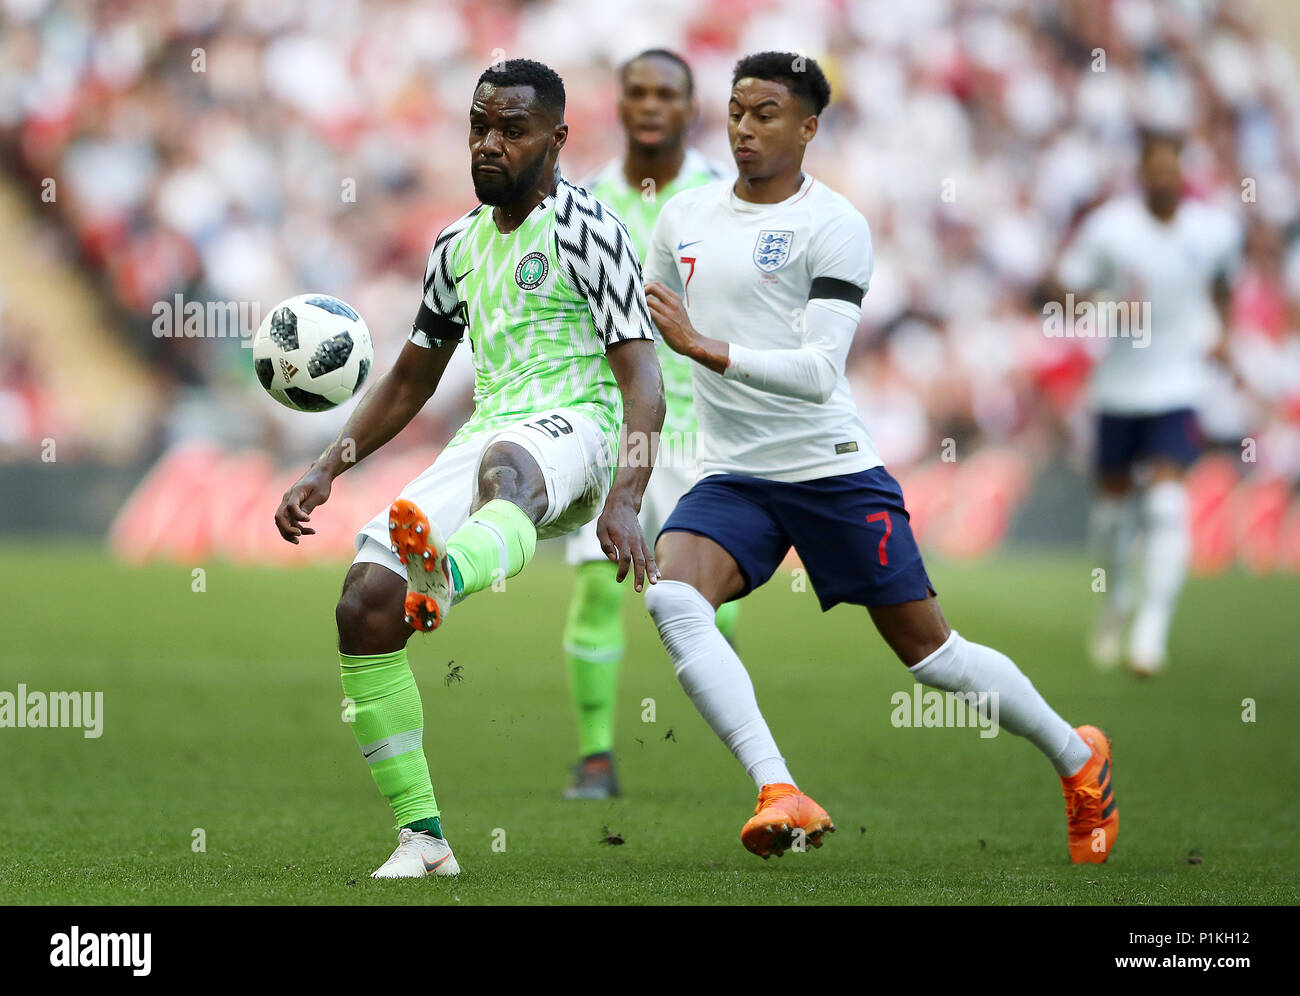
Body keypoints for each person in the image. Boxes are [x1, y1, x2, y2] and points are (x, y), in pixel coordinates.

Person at [640, 51, 1117, 864]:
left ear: (808, 127)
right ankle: (776, 787)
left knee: (933, 658)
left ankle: (1080, 761)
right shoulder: (683, 217)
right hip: (735, 475)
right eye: (736, 110)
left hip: (829, 468)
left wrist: (705, 348)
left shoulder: (837, 226)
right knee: (674, 599)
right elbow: (645, 339)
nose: (744, 128)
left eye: (766, 114)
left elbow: (820, 371)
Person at [274, 59, 664, 879]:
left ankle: (446, 574)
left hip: (581, 431)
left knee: (507, 466)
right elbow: (413, 376)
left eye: (512, 130)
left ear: (556, 139)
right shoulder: (455, 246)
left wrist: (626, 497)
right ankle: (424, 838)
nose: (489, 145)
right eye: (479, 128)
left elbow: (643, 382)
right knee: (366, 601)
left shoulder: (587, 230)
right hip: (494, 430)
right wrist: (327, 466)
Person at [560, 48, 734, 800]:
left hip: (700, 431)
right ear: (620, 104)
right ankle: (596, 757)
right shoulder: (584, 199)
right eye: (638, 92)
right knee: (600, 588)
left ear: (691, 107)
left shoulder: (723, 199)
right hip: (612, 427)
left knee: (710, 598)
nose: (652, 105)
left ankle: (738, 747)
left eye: (668, 93)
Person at [1055, 130, 1241, 675]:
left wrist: (1224, 334)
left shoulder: (1213, 230)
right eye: (1153, 170)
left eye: (1171, 169)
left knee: (1164, 504)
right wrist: (1100, 307)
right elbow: (1063, 289)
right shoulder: (1110, 230)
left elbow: (1224, 285)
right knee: (1112, 516)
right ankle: (1115, 605)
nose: (1163, 179)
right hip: (1116, 388)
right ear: (1141, 174)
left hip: (1177, 388)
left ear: (1183, 173)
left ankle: (1150, 632)